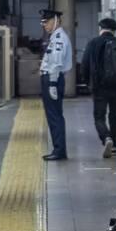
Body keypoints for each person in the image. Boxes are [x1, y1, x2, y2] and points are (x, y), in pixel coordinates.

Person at [80, 17, 116, 158]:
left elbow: (84, 64)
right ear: (114, 30)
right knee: (115, 116)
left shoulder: (93, 43)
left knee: (99, 117)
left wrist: (86, 82)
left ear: (101, 29)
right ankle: (114, 146)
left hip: (99, 87)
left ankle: (106, 137)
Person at [38, 8, 73, 161]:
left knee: (54, 116)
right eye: (43, 22)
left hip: (53, 79)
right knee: (53, 115)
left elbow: (57, 63)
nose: (44, 25)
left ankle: (59, 151)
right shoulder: (55, 37)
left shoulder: (59, 38)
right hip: (52, 79)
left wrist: (52, 83)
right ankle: (58, 149)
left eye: (46, 22)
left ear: (55, 21)